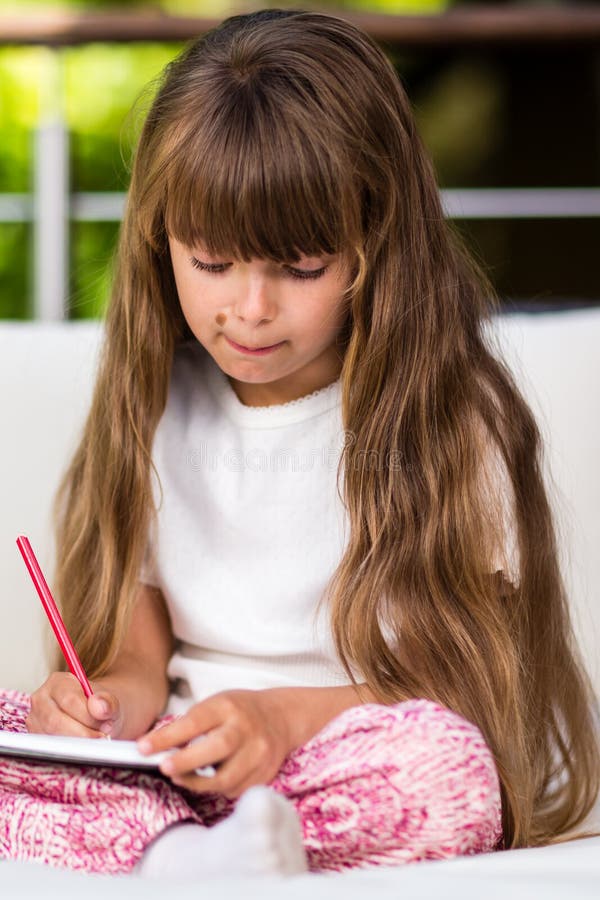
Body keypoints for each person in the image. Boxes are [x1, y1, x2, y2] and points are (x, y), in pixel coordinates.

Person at [1, 6, 598, 880]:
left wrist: (276, 721)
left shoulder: (449, 417)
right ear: (158, 242)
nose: (250, 309)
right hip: (176, 772)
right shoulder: (154, 406)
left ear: (376, 246)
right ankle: (190, 855)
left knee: (446, 767)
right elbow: (138, 656)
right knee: (18, 739)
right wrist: (102, 711)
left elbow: (466, 698)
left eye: (301, 267)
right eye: (211, 263)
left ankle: (202, 855)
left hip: (334, 763)